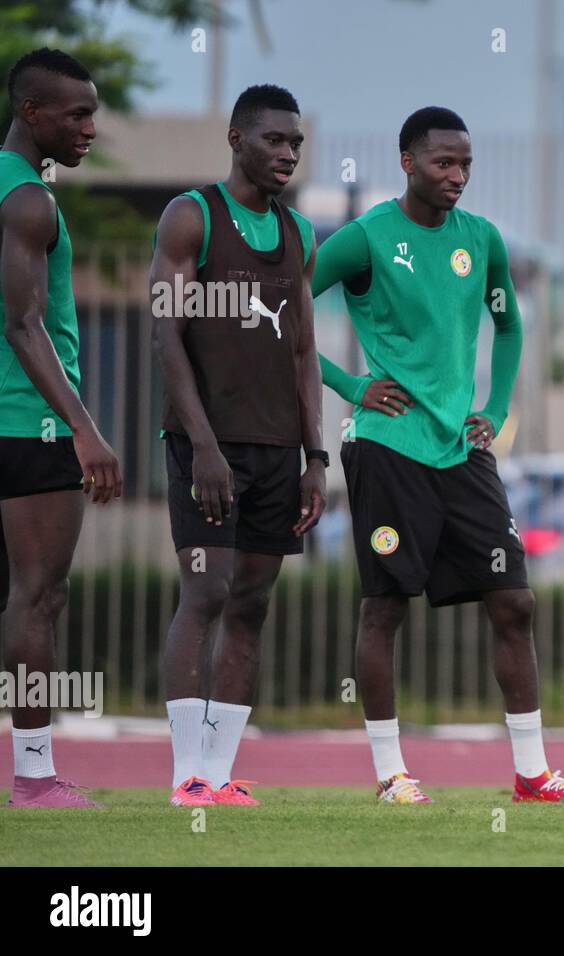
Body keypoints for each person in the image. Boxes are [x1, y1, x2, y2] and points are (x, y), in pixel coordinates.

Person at [314, 106, 564, 804]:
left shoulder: (481, 240)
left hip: (461, 453)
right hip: (386, 448)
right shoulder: (366, 238)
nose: (456, 175)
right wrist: (352, 386)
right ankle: (391, 774)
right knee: (385, 609)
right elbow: (282, 312)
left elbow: (509, 326)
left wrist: (493, 411)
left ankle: (530, 773)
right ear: (408, 162)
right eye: (442, 162)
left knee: (514, 600)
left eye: (465, 163)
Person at [151, 84, 325, 808]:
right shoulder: (191, 217)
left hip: (278, 451)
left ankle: (220, 778)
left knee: (251, 603)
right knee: (208, 592)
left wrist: (315, 457)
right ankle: (185, 774)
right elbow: (165, 332)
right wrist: (203, 444)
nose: (286, 153)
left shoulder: (300, 234)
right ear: (236, 139)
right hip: (207, 447)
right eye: (274, 140)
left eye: (295, 144)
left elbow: (304, 352)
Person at [1, 48, 123, 809]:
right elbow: (23, 322)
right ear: (32, 113)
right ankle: (35, 778)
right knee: (38, 597)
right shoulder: (29, 201)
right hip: (30, 425)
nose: (90, 129)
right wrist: (83, 427)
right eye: (77, 115)